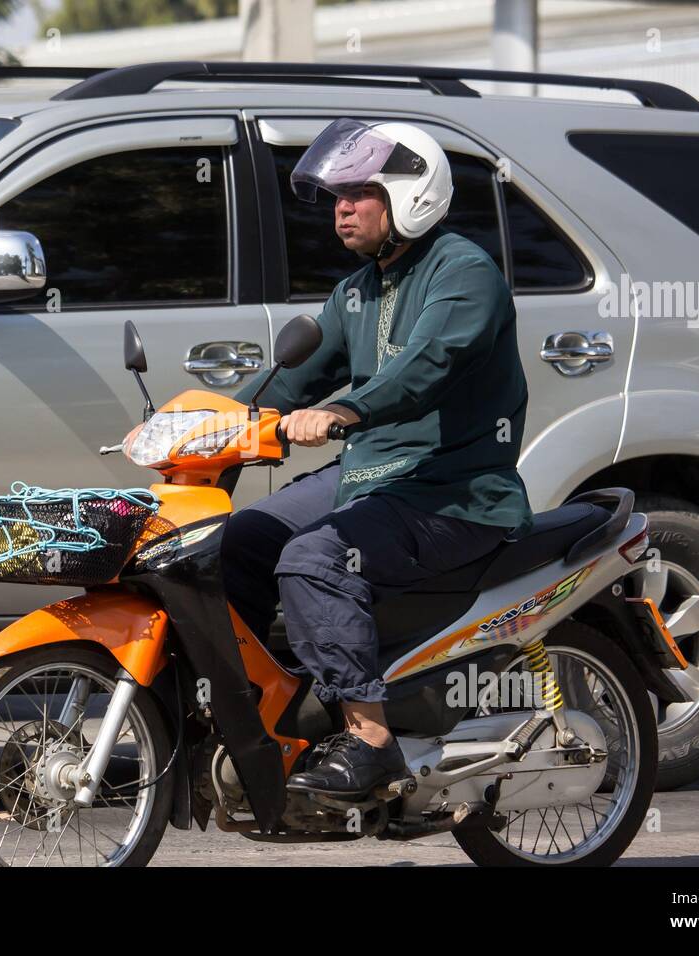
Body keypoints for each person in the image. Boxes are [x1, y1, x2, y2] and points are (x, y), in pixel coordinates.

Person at [223, 118, 536, 797]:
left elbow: (426, 366)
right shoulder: (358, 291)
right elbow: (293, 380)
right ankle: (264, 711)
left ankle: (370, 740)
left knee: (314, 558)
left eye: (360, 191)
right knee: (240, 539)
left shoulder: (465, 274)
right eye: (337, 194)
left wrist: (345, 411)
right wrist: (208, 424)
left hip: (454, 491)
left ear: (410, 195)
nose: (342, 206)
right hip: (369, 479)